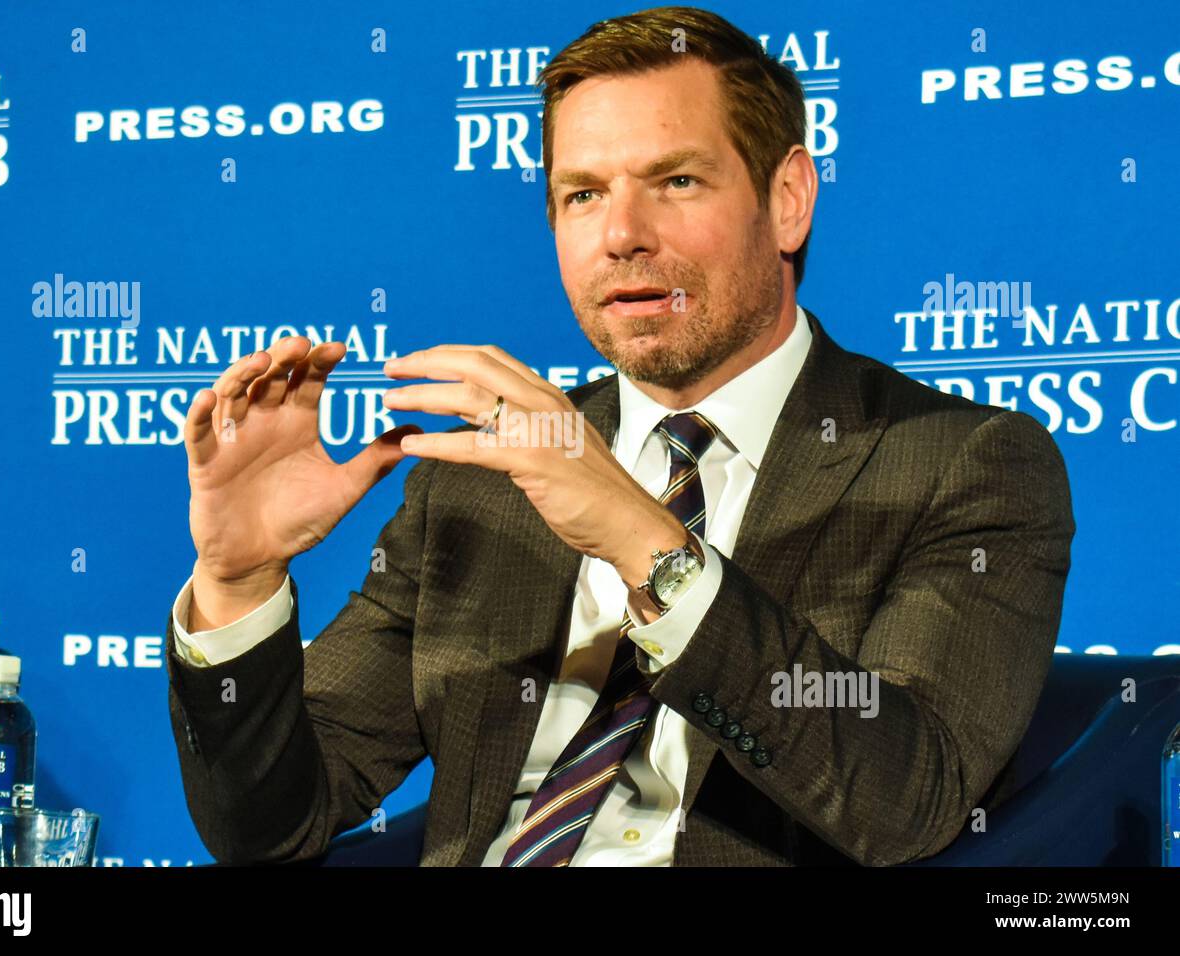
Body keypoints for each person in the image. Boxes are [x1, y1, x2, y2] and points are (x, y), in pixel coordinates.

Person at [165, 6, 1074, 866]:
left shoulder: (962, 466)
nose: (622, 235)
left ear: (788, 198)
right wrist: (239, 583)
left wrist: (642, 540)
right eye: (583, 193)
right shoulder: (478, 483)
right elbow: (273, 828)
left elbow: (903, 798)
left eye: (677, 181)